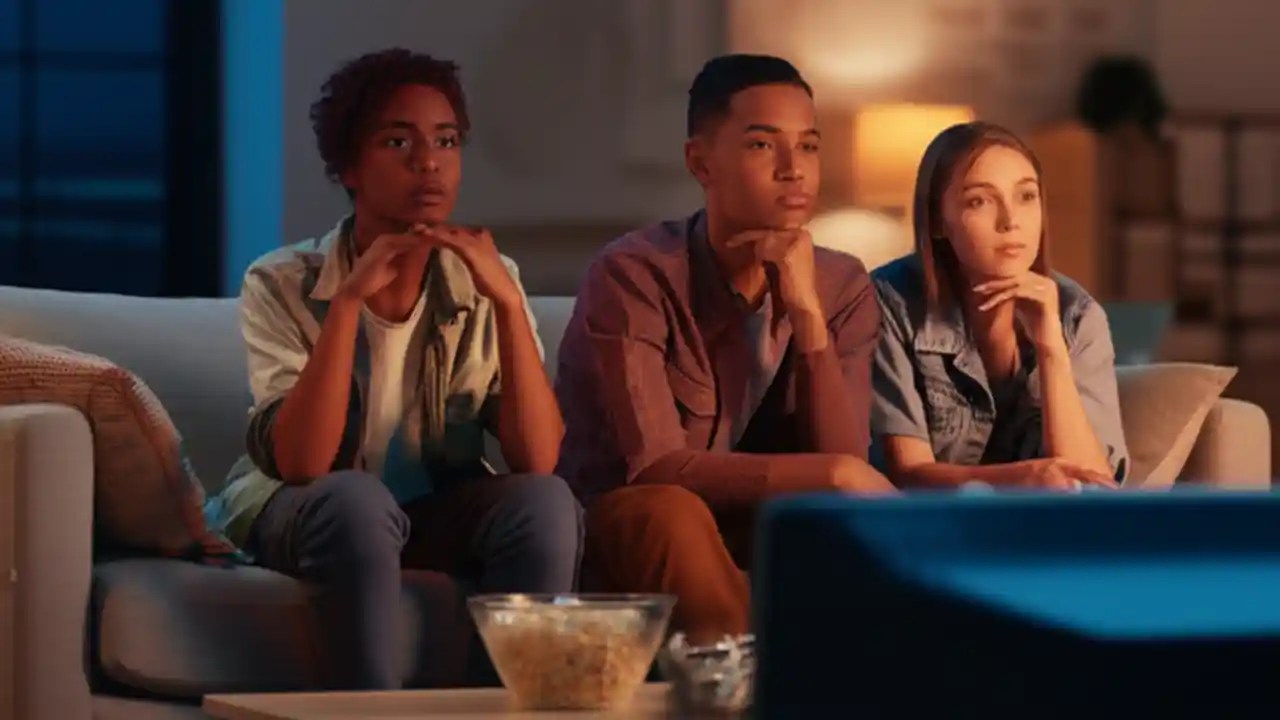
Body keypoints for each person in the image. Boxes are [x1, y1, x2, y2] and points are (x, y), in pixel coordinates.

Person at [208, 48, 583, 690]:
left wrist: (507, 303)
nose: (428, 162)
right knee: (357, 500)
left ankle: (519, 706)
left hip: (432, 510)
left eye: (446, 141)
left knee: (546, 501)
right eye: (397, 141)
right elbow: (301, 463)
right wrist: (348, 301)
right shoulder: (280, 281)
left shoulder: (488, 279)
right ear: (349, 167)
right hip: (310, 511)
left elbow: (539, 456)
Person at [555, 54, 895, 645]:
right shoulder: (635, 274)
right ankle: (738, 686)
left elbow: (844, 464)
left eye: (808, 147)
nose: (794, 170)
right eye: (763, 146)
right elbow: (655, 465)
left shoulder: (842, 284)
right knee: (671, 511)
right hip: (629, 523)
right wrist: (836, 473)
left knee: (840, 532)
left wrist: (808, 316)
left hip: (760, 530)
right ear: (700, 162)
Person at [871, 121, 1129, 491]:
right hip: (931, 531)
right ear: (938, 221)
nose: (1011, 222)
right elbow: (906, 474)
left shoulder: (1077, 315)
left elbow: (1090, 487)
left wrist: (1051, 348)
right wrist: (1023, 478)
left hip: (1043, 534)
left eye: (1026, 196)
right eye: (980, 201)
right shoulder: (890, 301)